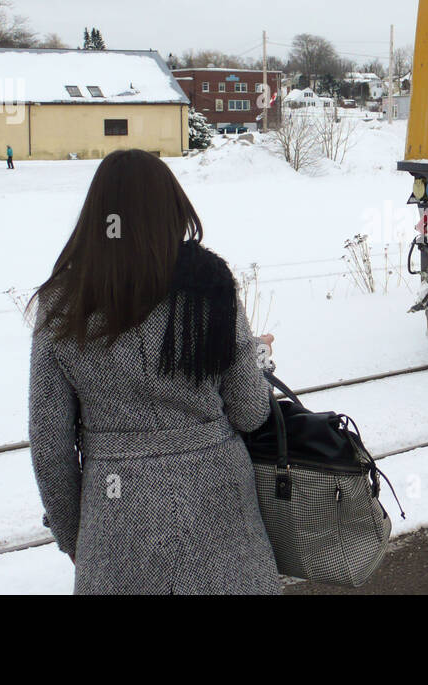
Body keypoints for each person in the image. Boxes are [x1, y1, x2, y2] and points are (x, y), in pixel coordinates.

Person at [27, 149, 280, 595]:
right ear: (171, 209)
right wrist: (257, 358)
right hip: (218, 505)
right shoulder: (210, 289)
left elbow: (50, 446)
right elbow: (250, 411)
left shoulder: (63, 303)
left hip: (115, 514)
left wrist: (75, 538)